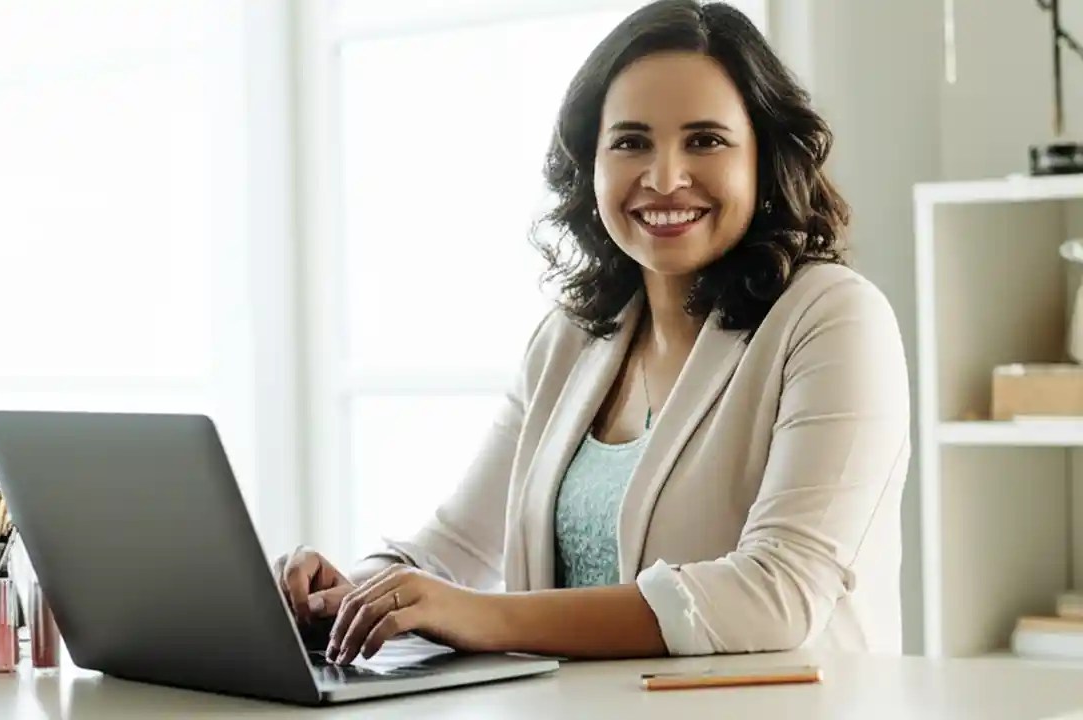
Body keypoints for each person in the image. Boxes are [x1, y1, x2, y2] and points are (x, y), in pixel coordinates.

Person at [275, 0, 909, 666]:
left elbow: (776, 593)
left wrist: (481, 616)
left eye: (705, 140)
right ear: (591, 163)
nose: (665, 178)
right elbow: (454, 551)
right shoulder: (568, 340)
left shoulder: (833, 318)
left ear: (764, 158)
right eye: (631, 142)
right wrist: (348, 595)